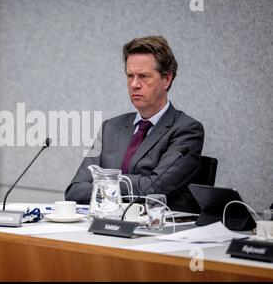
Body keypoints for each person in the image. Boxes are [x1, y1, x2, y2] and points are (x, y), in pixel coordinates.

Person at [65, 35, 204, 213]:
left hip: (158, 231)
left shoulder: (187, 130)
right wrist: (130, 184)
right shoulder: (110, 128)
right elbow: (75, 190)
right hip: (107, 225)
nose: (134, 84)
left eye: (144, 76)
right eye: (130, 76)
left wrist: (106, 182)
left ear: (167, 79)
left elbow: (154, 188)